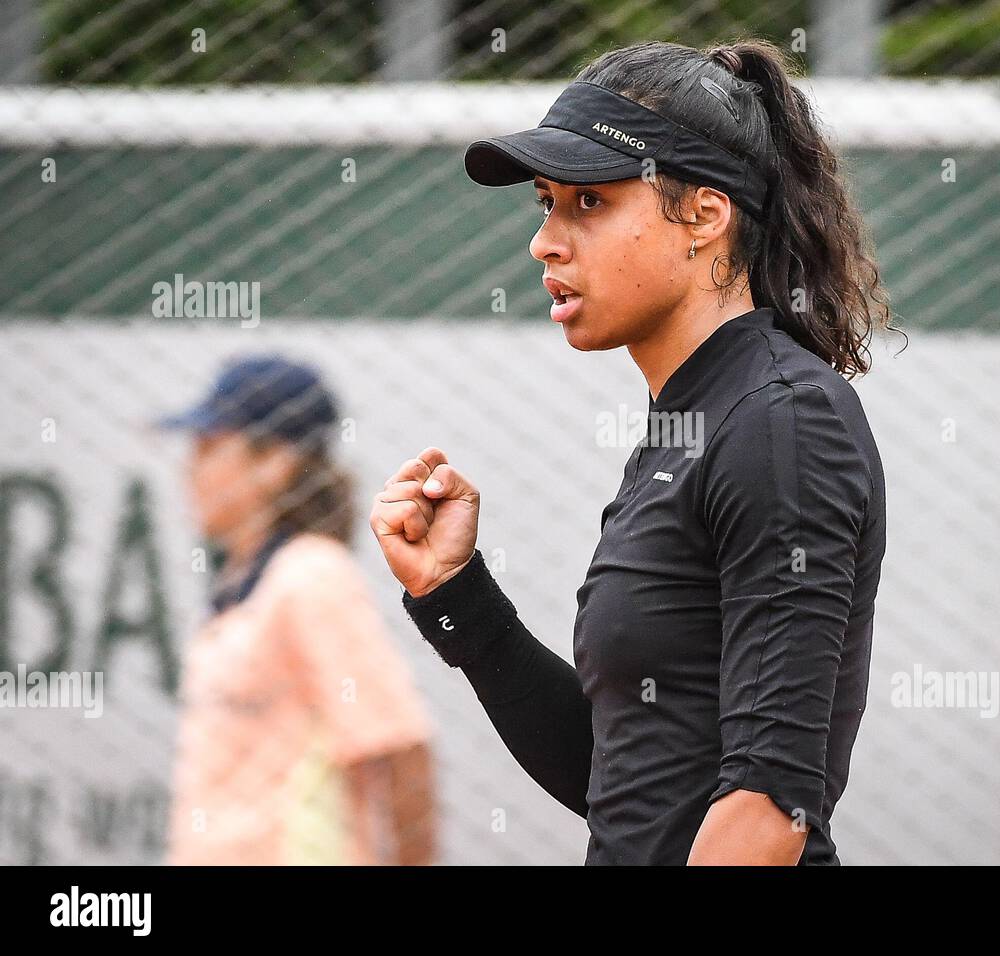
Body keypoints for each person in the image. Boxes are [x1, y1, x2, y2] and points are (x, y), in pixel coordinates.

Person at [371, 39, 891, 865]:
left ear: (706, 217)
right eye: (545, 202)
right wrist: (454, 596)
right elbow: (627, 783)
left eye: (588, 203)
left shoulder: (784, 422)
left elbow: (767, 811)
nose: (545, 241)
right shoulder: (698, 417)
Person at [160, 355, 437, 865]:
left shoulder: (313, 575)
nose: (189, 468)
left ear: (274, 463)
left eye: (210, 448)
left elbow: (401, 748)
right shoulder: (245, 583)